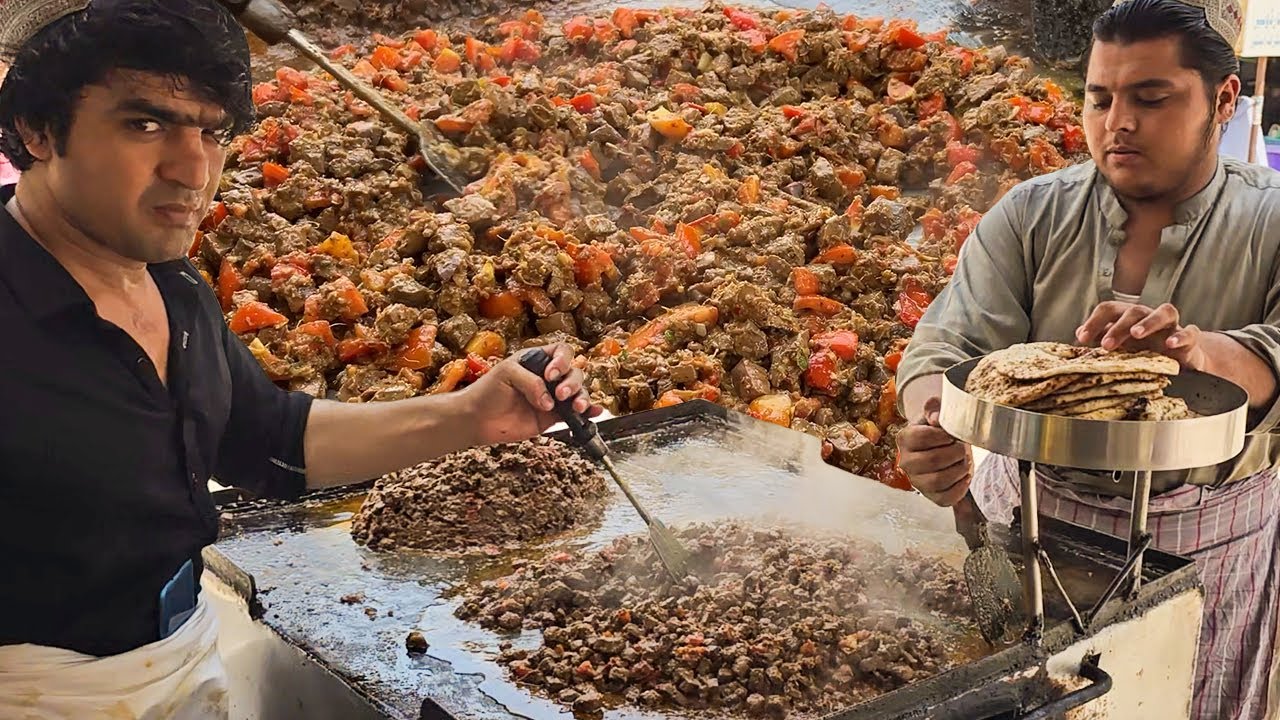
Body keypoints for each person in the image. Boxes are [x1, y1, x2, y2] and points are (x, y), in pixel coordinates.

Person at [0, 1, 599, 717]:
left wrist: (471, 415)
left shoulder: (170, 281)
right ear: (37, 130)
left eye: (214, 133)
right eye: (145, 124)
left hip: (180, 663)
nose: (193, 170)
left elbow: (271, 441)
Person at [895, 0, 1280, 718]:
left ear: (1223, 100)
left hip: (1208, 536)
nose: (1117, 122)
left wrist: (1192, 350)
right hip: (1028, 518)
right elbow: (946, 347)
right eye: (1099, 98)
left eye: (1150, 98)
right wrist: (932, 420)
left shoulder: (1270, 219)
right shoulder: (1031, 212)